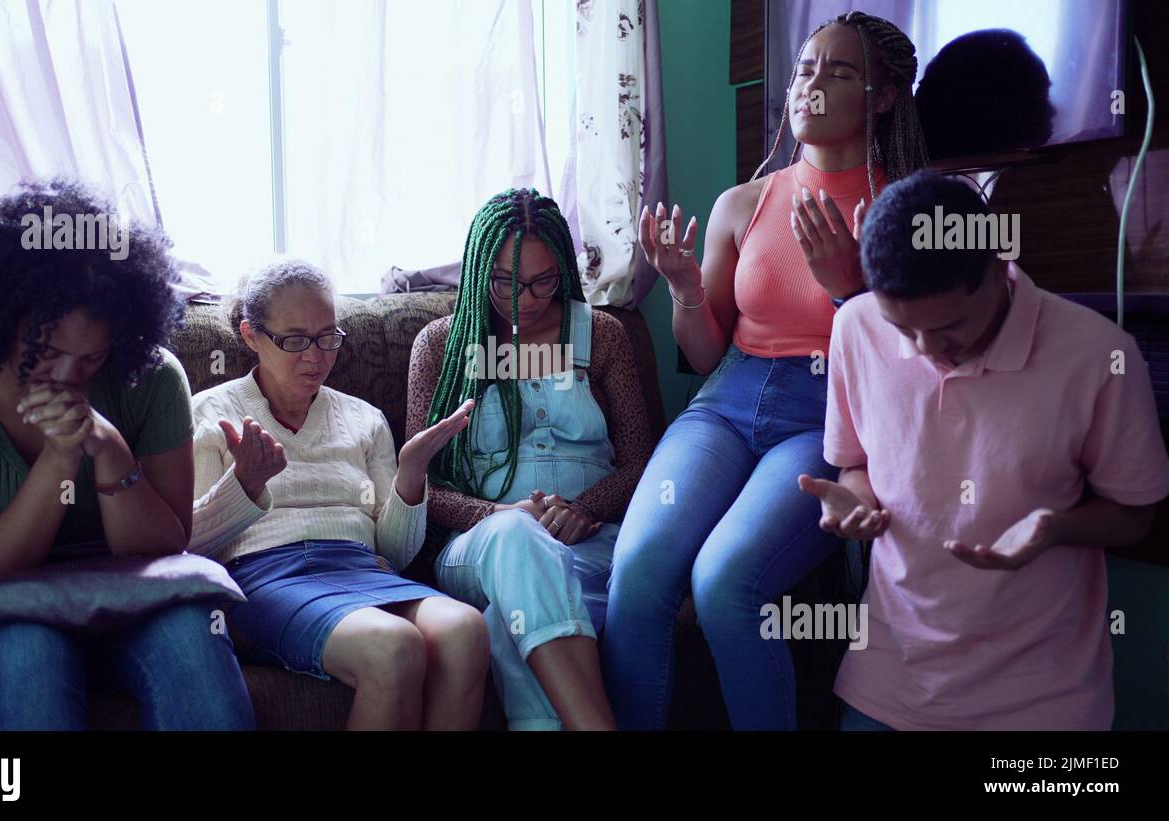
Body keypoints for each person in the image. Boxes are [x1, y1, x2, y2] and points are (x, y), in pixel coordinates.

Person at [604, 11, 929, 729]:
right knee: (639, 573)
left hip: (825, 419)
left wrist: (851, 288)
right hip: (725, 404)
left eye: (839, 72)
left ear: (882, 97)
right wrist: (687, 290)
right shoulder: (743, 204)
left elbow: (925, 365)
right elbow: (704, 355)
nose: (812, 85)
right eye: (804, 71)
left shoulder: (909, 211)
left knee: (726, 582)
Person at [0, 179, 254, 730]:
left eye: (93, 357)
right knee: (33, 657)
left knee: (193, 644)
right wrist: (57, 462)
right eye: (46, 351)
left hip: (124, 585)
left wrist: (111, 454)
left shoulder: (149, 377)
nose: (68, 377)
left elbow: (166, 544)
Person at [800, 170, 1169, 730]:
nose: (926, 351)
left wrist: (1056, 528)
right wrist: (852, 500)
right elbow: (858, 464)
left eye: (948, 328)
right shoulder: (856, 325)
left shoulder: (1099, 357)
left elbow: (1137, 515)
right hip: (888, 682)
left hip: (1040, 701)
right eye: (904, 328)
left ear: (998, 270)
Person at [188, 260, 490, 730]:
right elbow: (187, 545)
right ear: (251, 336)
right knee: (393, 646)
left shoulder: (364, 418)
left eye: (328, 337)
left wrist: (411, 476)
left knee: (466, 631)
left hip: (360, 566)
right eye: (294, 340)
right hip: (265, 575)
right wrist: (244, 484)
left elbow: (395, 551)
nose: (315, 357)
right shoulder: (211, 414)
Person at [407, 188, 652, 730]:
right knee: (518, 542)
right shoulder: (441, 347)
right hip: (480, 548)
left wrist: (582, 508)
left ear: (564, 268)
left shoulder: (602, 337)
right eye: (506, 282)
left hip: (590, 541)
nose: (527, 298)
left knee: (507, 619)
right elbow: (419, 487)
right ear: (477, 270)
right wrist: (499, 515)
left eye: (544, 280)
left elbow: (641, 464)